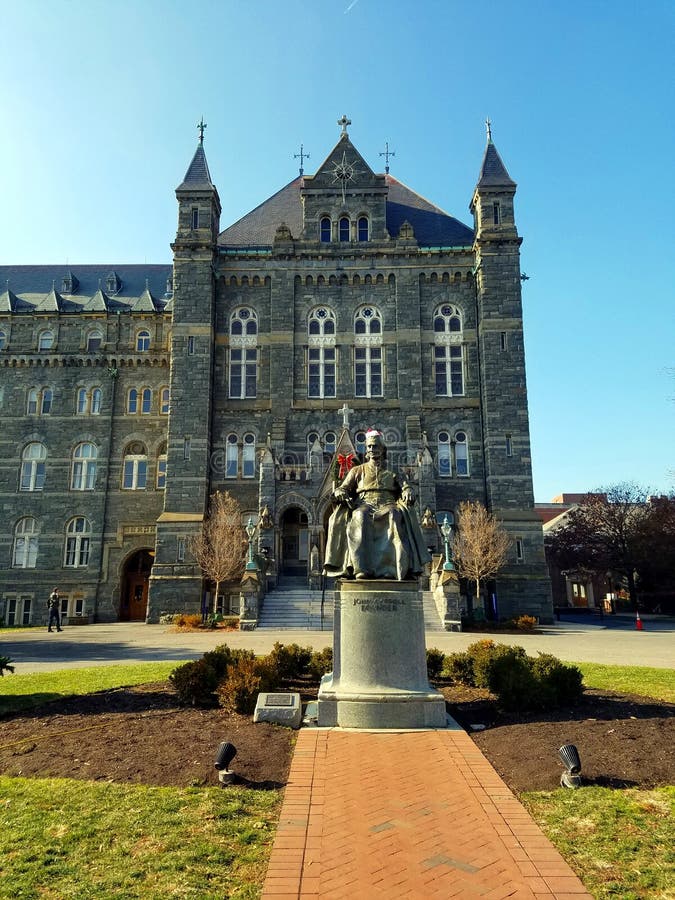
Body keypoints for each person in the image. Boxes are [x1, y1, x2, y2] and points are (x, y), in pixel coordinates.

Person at [323, 430, 431, 581]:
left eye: (375, 446)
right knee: (360, 516)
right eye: (369, 447)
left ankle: (390, 569)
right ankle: (361, 568)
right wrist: (340, 492)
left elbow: (406, 486)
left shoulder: (393, 469)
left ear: (382, 448)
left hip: (387, 502)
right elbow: (343, 487)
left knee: (394, 515)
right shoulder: (357, 470)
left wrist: (407, 491)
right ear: (366, 450)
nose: (372, 450)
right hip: (364, 502)